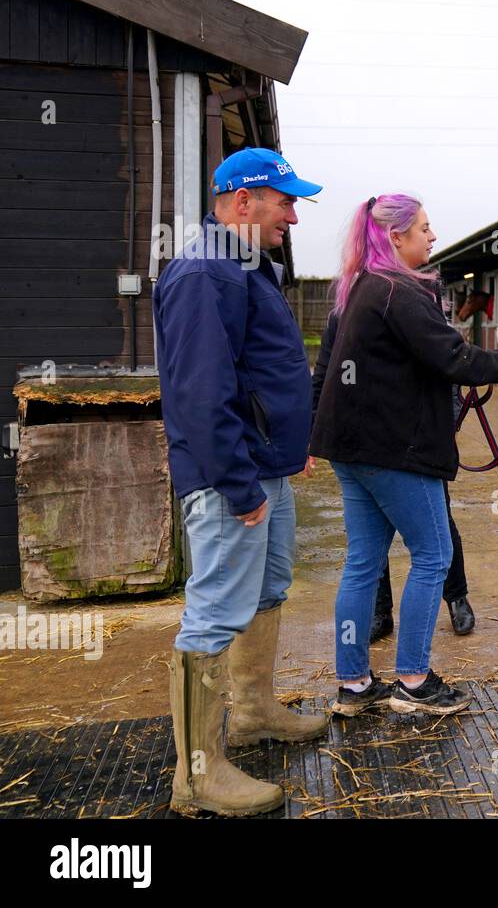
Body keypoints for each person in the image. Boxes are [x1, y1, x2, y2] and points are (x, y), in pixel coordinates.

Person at [310, 194, 498, 717]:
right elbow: (455, 358)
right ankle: (414, 682)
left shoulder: (360, 288)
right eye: (423, 227)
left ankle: (354, 685)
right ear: (395, 237)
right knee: (433, 555)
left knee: (361, 563)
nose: (433, 235)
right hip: (393, 450)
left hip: (352, 449)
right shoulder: (400, 290)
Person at [153, 147, 326, 817]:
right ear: (243, 200)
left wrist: (288, 450)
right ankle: (197, 774)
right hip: (233, 479)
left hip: (263, 468)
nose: (293, 215)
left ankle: (251, 713)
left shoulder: (245, 269)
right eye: (284, 201)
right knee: (216, 610)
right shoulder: (207, 274)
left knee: (267, 588)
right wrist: (238, 483)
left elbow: (257, 373)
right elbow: (201, 394)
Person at [311, 301, 475, 644]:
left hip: (417, 444)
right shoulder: (343, 313)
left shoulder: (418, 304)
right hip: (370, 444)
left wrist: (448, 420)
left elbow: (448, 366)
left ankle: (457, 597)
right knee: (373, 541)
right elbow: (325, 376)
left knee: (439, 522)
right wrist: (310, 432)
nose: (431, 242)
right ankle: (381, 613)